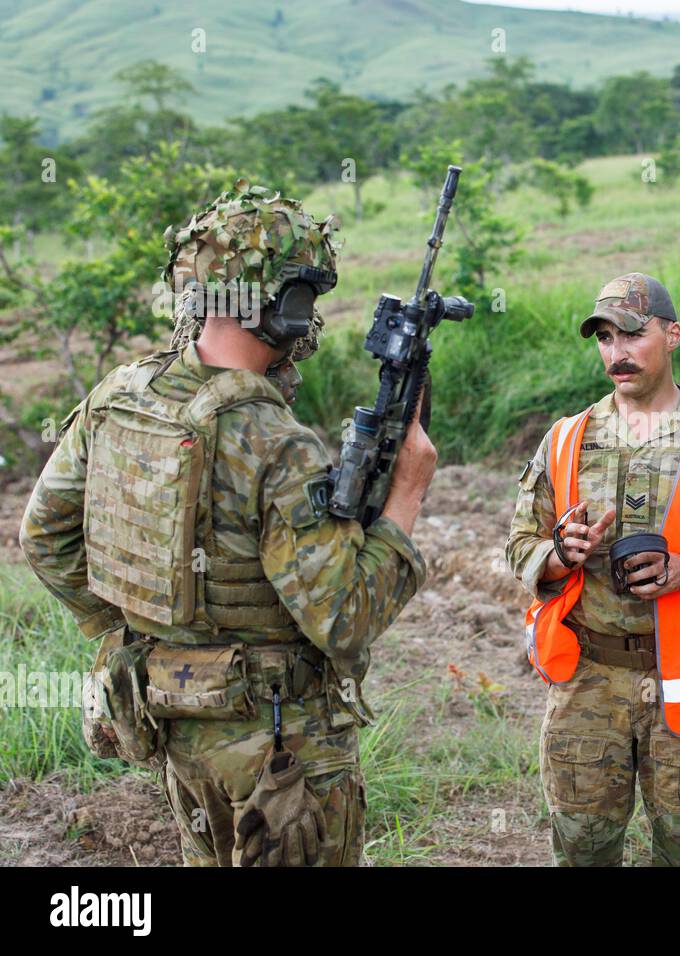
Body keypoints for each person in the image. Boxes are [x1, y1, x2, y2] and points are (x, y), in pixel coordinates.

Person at [20, 182, 438, 866]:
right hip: (284, 754)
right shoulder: (275, 440)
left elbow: (43, 538)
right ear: (287, 304)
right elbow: (345, 617)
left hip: (176, 725)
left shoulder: (120, 397)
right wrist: (406, 496)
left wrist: (142, 632)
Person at [506, 272, 680, 866]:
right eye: (604, 339)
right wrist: (560, 554)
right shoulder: (566, 440)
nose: (617, 354)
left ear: (673, 335)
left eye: (631, 336)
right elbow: (519, 544)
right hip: (586, 680)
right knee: (583, 847)